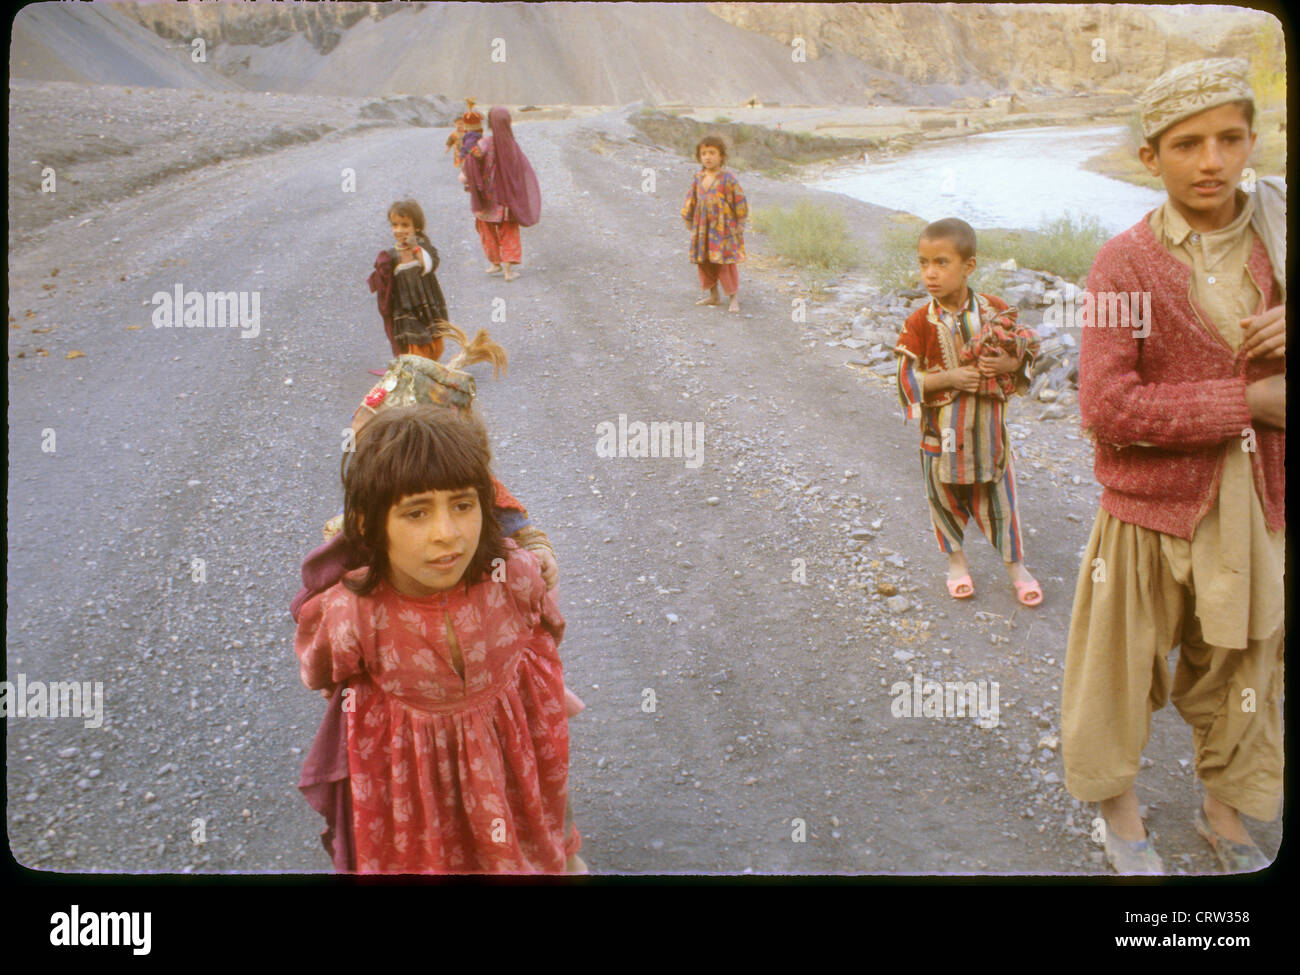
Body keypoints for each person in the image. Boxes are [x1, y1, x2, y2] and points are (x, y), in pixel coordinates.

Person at [1060, 58, 1285, 875]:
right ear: (1149, 159)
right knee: (1116, 672)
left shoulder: (1280, 237)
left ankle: (1224, 816)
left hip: (1257, 506)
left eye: (1230, 138)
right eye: (1186, 144)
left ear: (1254, 141)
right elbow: (1107, 407)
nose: (1212, 161)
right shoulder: (1124, 263)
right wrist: (1247, 404)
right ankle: (1120, 817)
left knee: (1244, 667)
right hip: (1146, 510)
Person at [295, 406, 579, 873]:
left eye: (463, 505)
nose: (447, 534)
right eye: (416, 512)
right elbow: (323, 672)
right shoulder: (351, 613)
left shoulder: (515, 577)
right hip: (412, 785)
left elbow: (543, 651)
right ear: (368, 524)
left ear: (486, 507)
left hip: (511, 763)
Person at [894, 218, 1042, 605]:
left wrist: (1010, 366)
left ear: (969, 266)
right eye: (923, 262)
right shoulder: (919, 322)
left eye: (941, 263)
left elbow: (1025, 352)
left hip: (988, 431)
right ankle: (956, 563)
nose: (930, 273)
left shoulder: (994, 310)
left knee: (1000, 498)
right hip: (939, 435)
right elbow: (906, 381)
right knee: (943, 497)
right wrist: (952, 378)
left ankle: (1016, 567)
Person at [460, 106, 541, 282]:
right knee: (509, 231)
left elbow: (472, 161)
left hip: (487, 199)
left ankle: (495, 262)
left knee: (486, 228)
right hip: (507, 200)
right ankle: (508, 270)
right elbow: (521, 172)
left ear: (489, 123)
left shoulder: (484, 143)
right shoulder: (512, 145)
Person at [368, 200, 449, 359]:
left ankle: (431, 367)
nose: (399, 230)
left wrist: (415, 248)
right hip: (405, 305)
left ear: (416, 227)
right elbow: (385, 283)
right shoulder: (391, 254)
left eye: (405, 225)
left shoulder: (423, 246)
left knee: (434, 342)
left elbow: (429, 266)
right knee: (413, 342)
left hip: (426, 301)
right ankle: (418, 369)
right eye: (395, 225)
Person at [681, 135, 748, 313]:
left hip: (723, 229)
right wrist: (688, 218)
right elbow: (691, 199)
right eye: (703, 153)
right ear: (699, 157)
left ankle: (733, 297)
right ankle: (714, 295)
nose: (707, 157)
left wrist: (740, 222)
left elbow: (739, 200)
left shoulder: (728, 178)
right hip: (702, 228)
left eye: (712, 153)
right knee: (705, 261)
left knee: (725, 262)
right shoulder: (698, 177)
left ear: (721, 156)